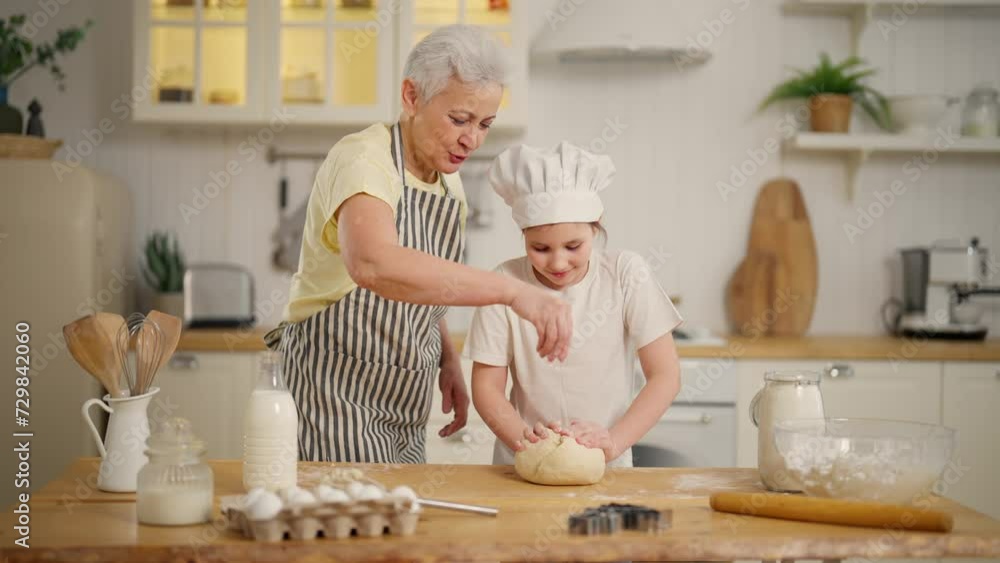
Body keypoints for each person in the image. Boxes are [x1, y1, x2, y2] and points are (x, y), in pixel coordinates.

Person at [266, 25, 573, 464]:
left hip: (405, 393)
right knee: (348, 521)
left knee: (396, 521)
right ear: (412, 97)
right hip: (334, 389)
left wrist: (448, 358)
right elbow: (375, 264)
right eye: (460, 119)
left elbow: (425, 279)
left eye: (485, 124)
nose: (473, 139)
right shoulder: (364, 159)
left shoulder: (448, 181)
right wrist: (514, 291)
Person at [465, 142, 683, 467]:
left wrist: (613, 442)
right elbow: (486, 387)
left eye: (573, 246)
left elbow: (665, 375)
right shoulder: (505, 283)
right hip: (522, 463)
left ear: (596, 227)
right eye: (539, 248)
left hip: (607, 466)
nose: (558, 262)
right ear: (523, 234)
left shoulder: (624, 274)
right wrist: (525, 441)